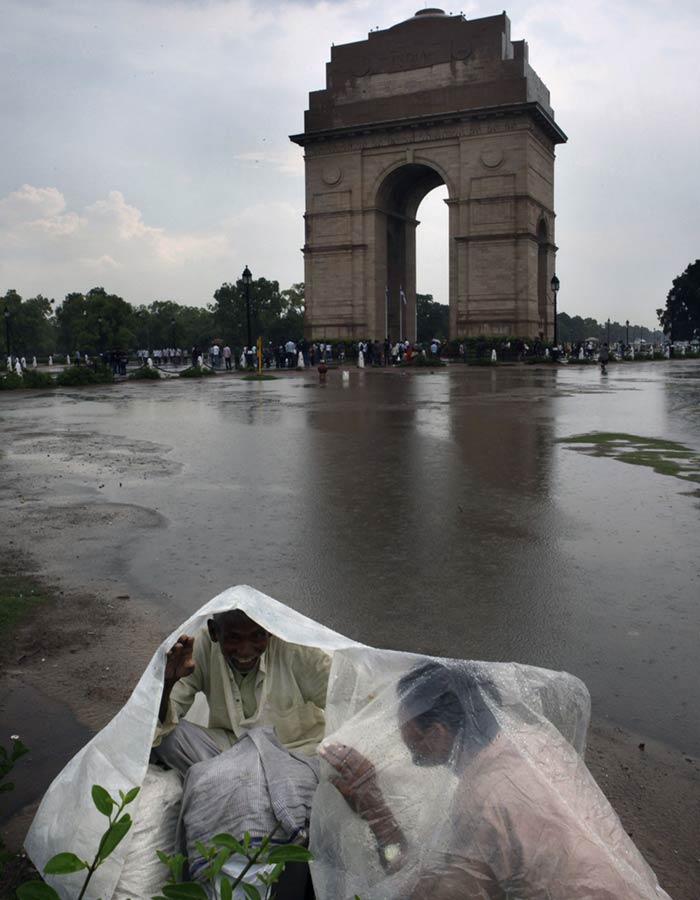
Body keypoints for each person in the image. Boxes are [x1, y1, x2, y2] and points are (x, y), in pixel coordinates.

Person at [321, 661, 669, 900]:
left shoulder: (484, 798)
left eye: (405, 727)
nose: (398, 736)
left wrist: (378, 814)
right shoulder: (536, 741)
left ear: (438, 734)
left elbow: (441, 896)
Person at [153, 609, 331, 774]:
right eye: (234, 638)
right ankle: (242, 785)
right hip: (229, 751)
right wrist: (168, 683)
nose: (245, 650)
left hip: (294, 754)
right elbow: (163, 721)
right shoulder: (200, 647)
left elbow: (342, 698)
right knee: (167, 736)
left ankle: (232, 784)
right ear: (215, 633)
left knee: (335, 762)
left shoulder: (295, 649)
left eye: (256, 636)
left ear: (270, 630)